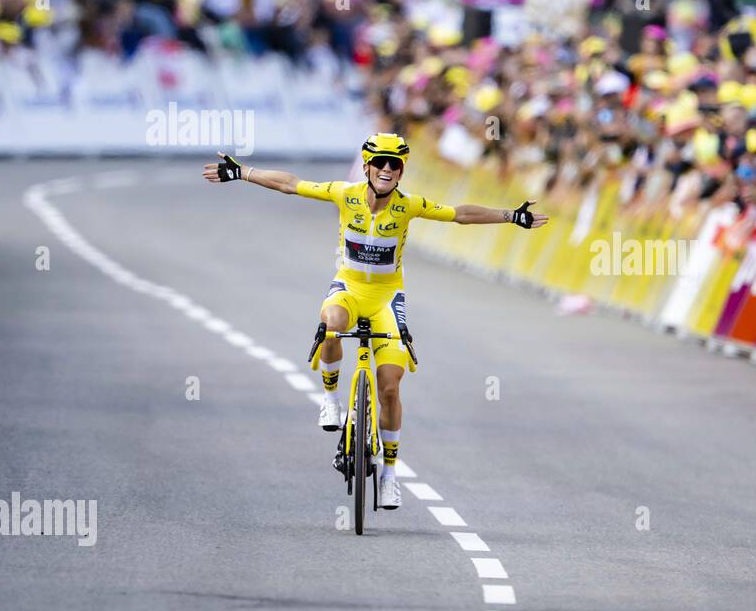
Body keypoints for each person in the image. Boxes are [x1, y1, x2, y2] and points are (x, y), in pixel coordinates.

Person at [201, 133, 548, 508]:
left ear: (401, 172)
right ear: (366, 166)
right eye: (380, 162)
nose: (386, 169)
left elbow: (459, 214)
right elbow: (291, 185)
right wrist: (242, 172)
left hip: (387, 299)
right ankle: (331, 398)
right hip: (349, 289)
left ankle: (389, 474)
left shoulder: (409, 205)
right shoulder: (343, 193)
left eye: (394, 164)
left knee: (389, 389)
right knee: (332, 322)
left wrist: (512, 216)